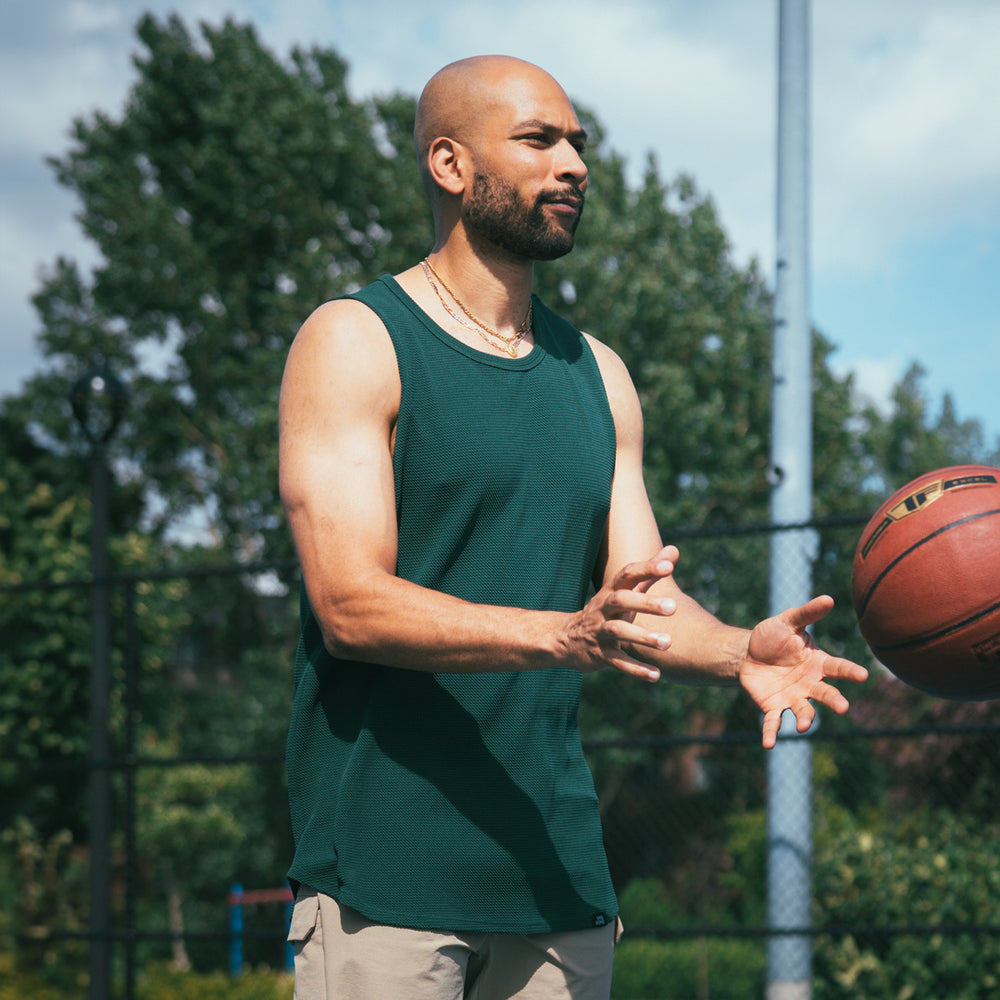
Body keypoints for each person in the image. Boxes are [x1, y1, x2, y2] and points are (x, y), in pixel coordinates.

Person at [278, 54, 868, 1000]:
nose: (574, 164)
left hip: (557, 877)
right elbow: (350, 604)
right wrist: (563, 634)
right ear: (449, 164)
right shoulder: (355, 338)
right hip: (387, 874)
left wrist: (735, 652)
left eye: (578, 144)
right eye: (538, 140)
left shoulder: (600, 374)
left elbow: (640, 600)